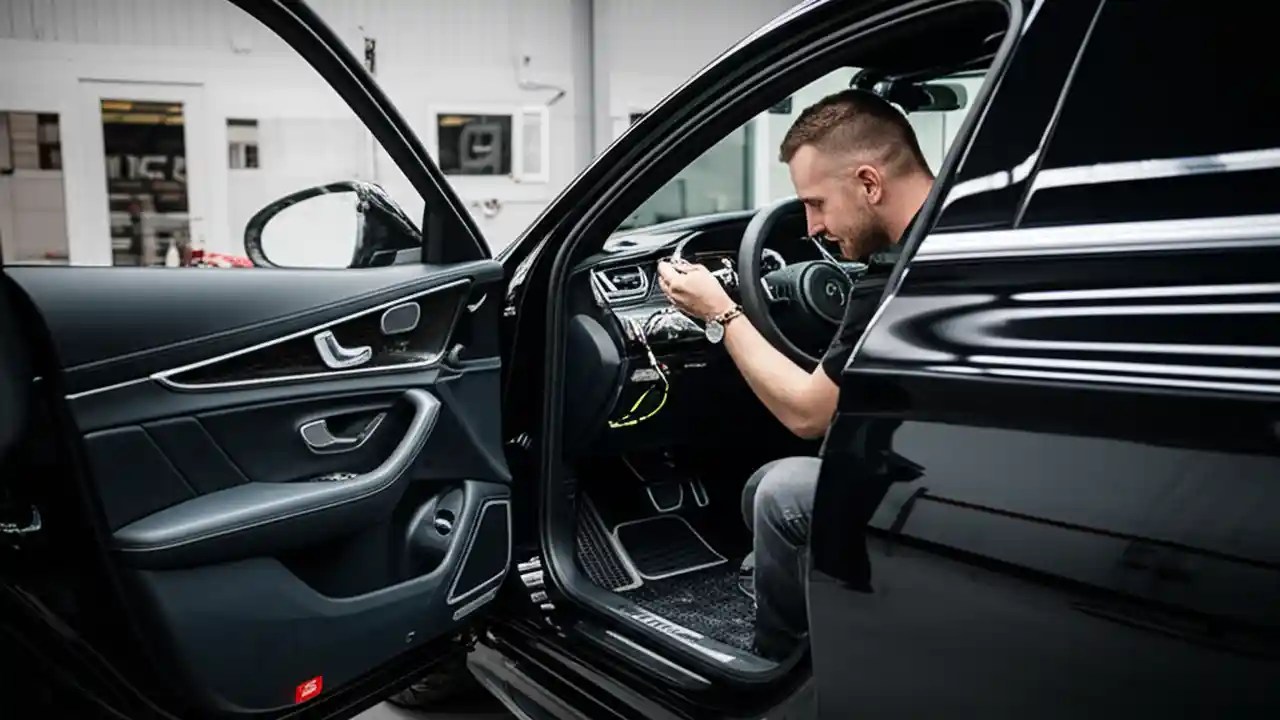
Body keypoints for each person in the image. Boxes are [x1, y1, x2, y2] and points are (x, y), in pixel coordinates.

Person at [656, 89, 934, 660]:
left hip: (935, 488)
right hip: (945, 459)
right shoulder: (953, 234)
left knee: (782, 494)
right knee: (765, 482)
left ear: (869, 184)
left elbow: (808, 414)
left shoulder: (896, 277)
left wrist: (720, 312)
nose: (810, 228)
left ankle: (777, 658)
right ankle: (795, 592)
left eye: (815, 203)